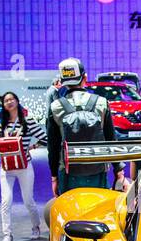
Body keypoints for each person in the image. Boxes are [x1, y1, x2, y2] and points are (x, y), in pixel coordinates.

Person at [47, 57, 115, 195]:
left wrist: (54, 177)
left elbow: (52, 146)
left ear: (62, 81)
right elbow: (111, 139)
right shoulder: (102, 102)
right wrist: (118, 171)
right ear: (85, 77)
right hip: (98, 170)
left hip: (67, 172)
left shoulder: (55, 107)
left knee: (70, 212)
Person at [0, 91, 45, 241]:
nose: (9, 102)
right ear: (3, 105)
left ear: (17, 101)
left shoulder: (27, 121)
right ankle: (7, 234)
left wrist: (32, 146)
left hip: (24, 165)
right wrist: (4, 144)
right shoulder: (2, 123)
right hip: (6, 166)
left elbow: (45, 137)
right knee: (5, 201)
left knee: (28, 200)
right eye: (6, 100)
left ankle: (36, 227)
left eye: (12, 99)